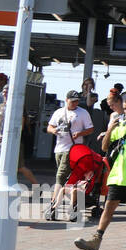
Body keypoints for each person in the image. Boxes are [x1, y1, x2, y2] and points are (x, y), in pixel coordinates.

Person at [73, 92, 126, 250]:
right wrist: (110, 129)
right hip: (118, 175)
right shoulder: (120, 126)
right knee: (109, 207)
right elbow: (104, 147)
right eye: (124, 109)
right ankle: (96, 240)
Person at [45, 90, 95, 220]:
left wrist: (79, 134)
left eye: (77, 101)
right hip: (59, 149)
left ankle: (53, 206)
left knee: (60, 177)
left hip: (73, 150)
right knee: (68, 179)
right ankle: (70, 206)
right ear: (66, 100)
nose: (75, 103)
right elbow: (49, 127)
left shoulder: (83, 113)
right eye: (73, 101)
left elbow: (90, 129)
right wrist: (54, 130)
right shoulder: (59, 112)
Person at [0, 85, 38, 195]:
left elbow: (20, 127)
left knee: (20, 168)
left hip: (13, 142)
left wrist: (6, 136)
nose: (5, 93)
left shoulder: (17, 108)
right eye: (4, 91)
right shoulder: (1, 107)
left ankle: (37, 187)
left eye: (8, 91)